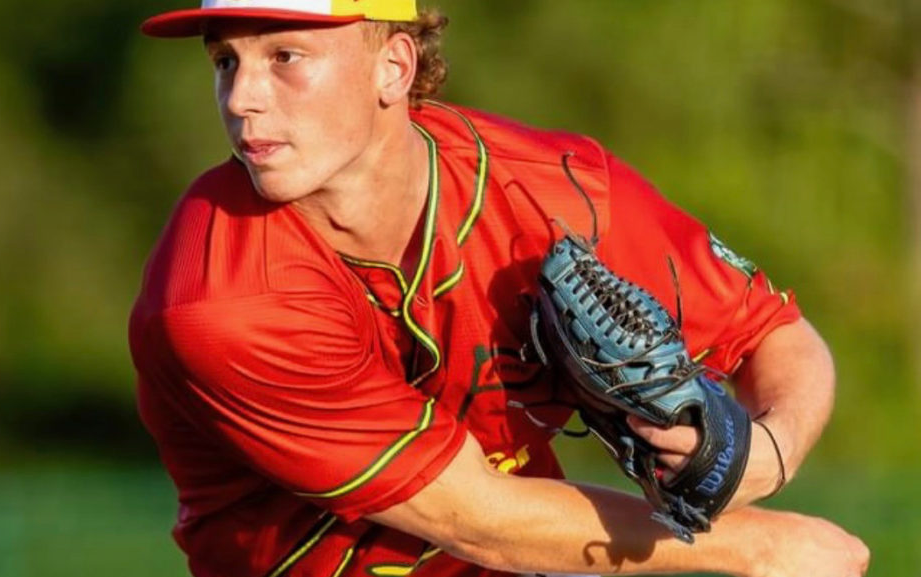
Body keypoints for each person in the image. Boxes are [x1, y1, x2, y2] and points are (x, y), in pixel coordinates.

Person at [128, 2, 870, 576]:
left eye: (285, 55)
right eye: (227, 61)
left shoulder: (548, 190)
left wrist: (769, 452)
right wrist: (758, 545)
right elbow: (473, 516)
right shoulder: (220, 296)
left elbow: (776, 333)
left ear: (393, 65)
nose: (241, 98)